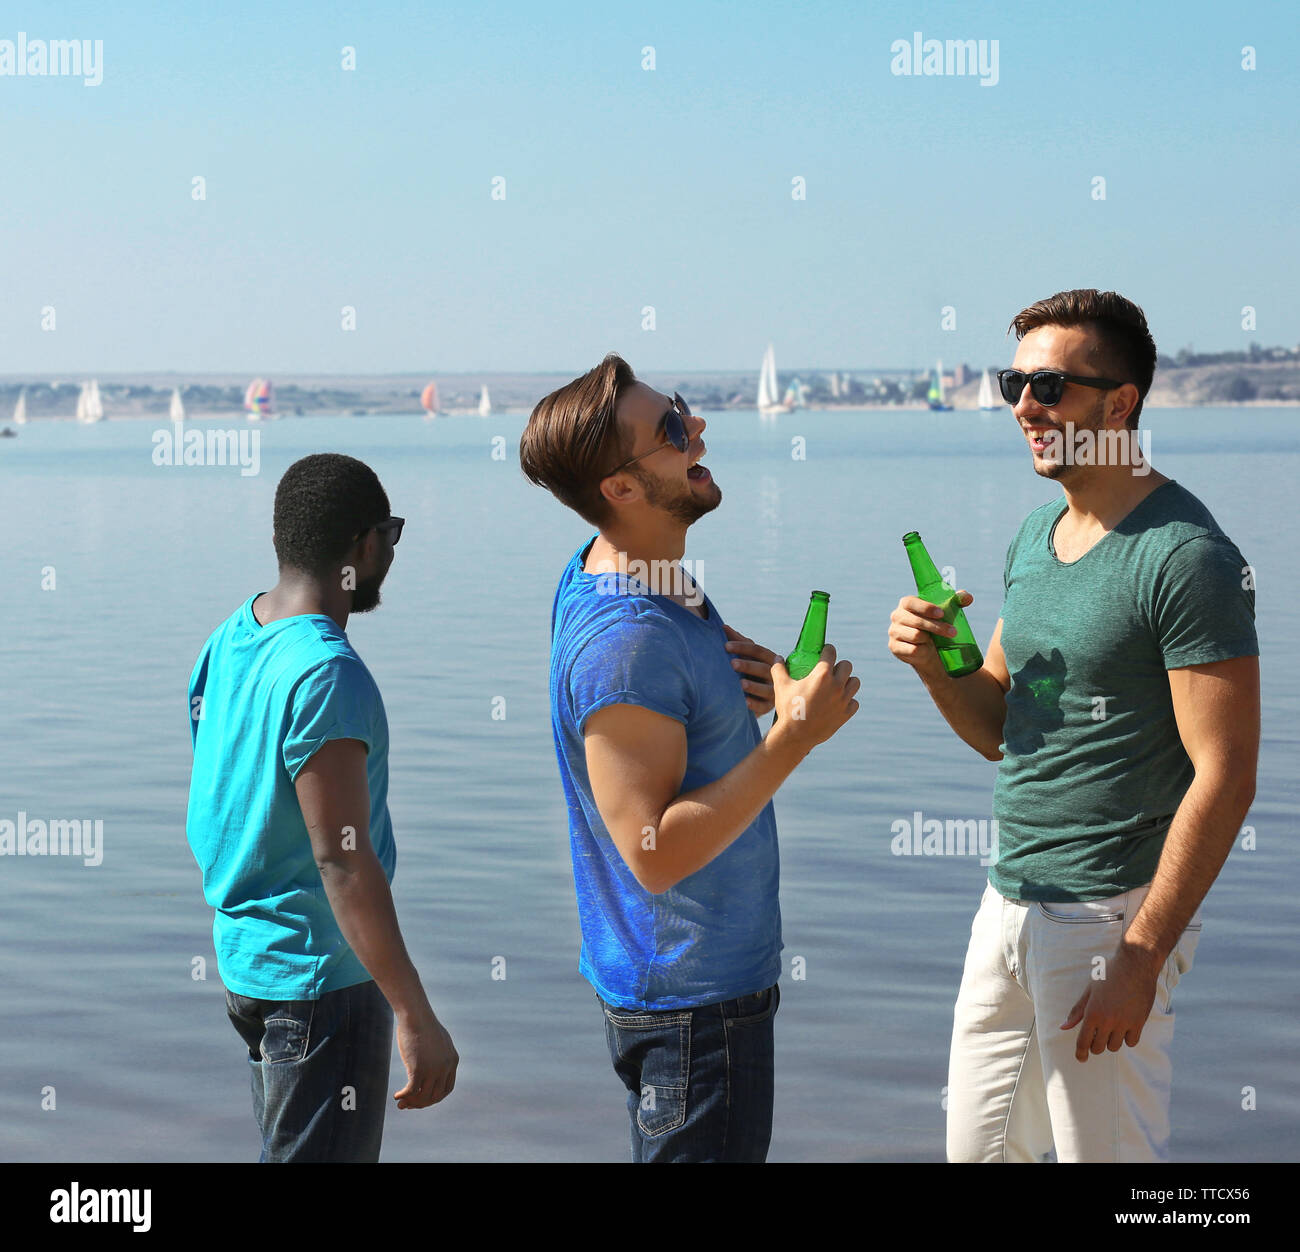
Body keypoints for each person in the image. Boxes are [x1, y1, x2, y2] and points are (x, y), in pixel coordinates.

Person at [888, 290, 1259, 1162]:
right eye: (1014, 381)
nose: (1022, 405)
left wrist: (1139, 955)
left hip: (1110, 917)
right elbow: (999, 728)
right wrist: (936, 662)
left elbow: (1228, 774)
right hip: (1008, 901)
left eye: (1049, 385)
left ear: (1119, 403)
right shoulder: (1036, 535)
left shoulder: (1188, 558)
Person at [520, 354, 859, 1162]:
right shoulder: (627, 638)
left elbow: (678, 723)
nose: (697, 426)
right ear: (622, 490)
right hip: (693, 1012)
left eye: (682, 407)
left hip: (693, 996)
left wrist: (755, 692)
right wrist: (794, 741)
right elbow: (655, 852)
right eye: (672, 428)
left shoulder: (647, 574)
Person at [186, 452, 458, 1161]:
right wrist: (414, 1013)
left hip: (249, 967)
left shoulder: (232, 637)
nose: (391, 552)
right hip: (318, 984)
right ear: (365, 546)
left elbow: (231, 796)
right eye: (391, 536)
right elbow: (340, 857)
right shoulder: (326, 672)